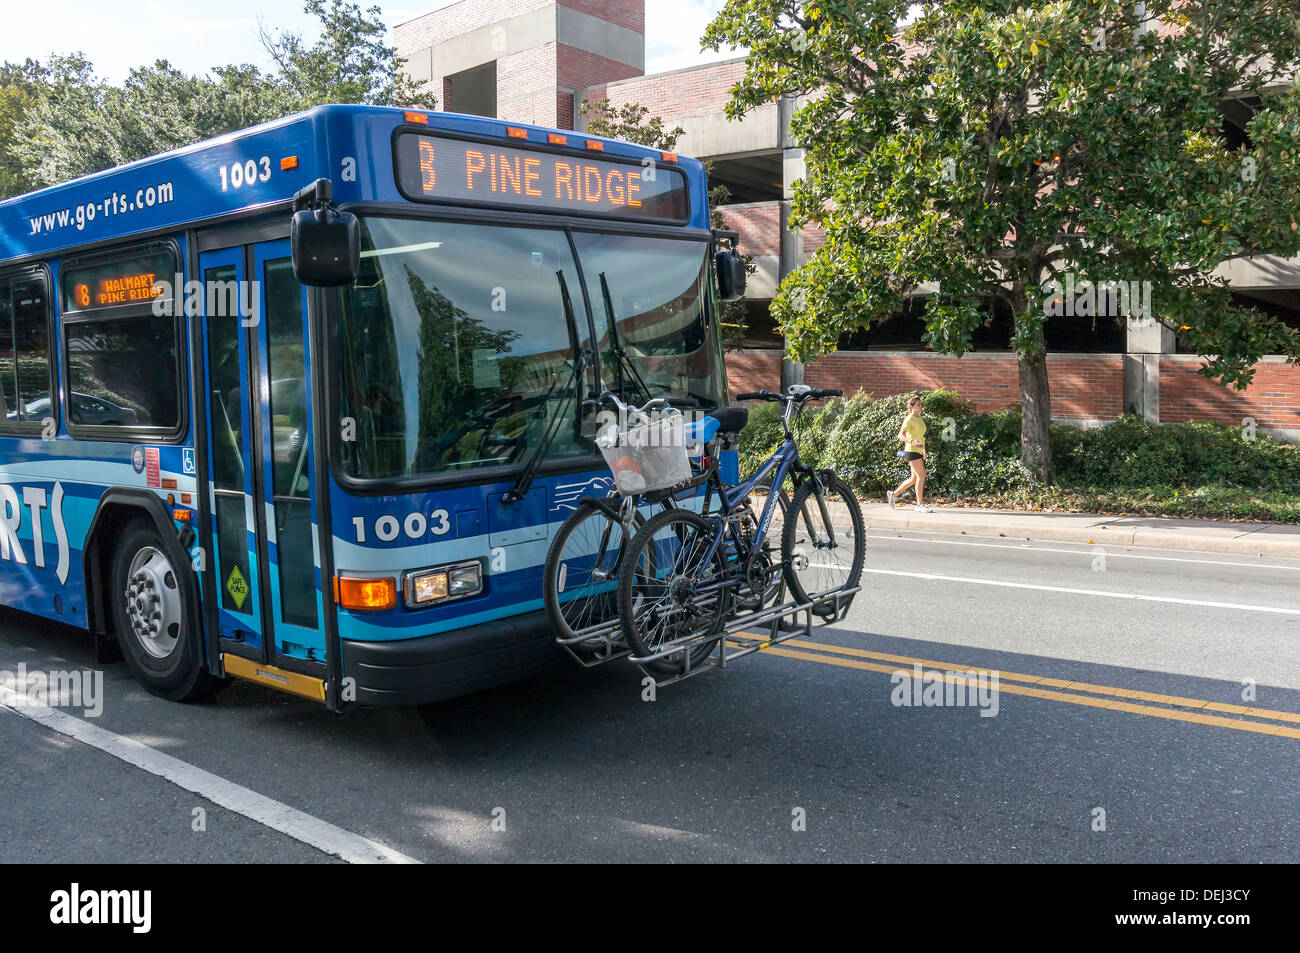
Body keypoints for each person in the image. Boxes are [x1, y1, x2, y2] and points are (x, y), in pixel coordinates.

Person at [888, 395, 931, 513]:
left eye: (921, 404)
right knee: (922, 476)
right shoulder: (909, 419)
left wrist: (923, 449)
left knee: (914, 479)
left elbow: (920, 436)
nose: (921, 407)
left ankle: (893, 494)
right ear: (911, 407)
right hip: (911, 450)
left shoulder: (920, 418)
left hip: (918, 451)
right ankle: (919, 505)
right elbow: (900, 435)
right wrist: (912, 441)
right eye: (918, 405)